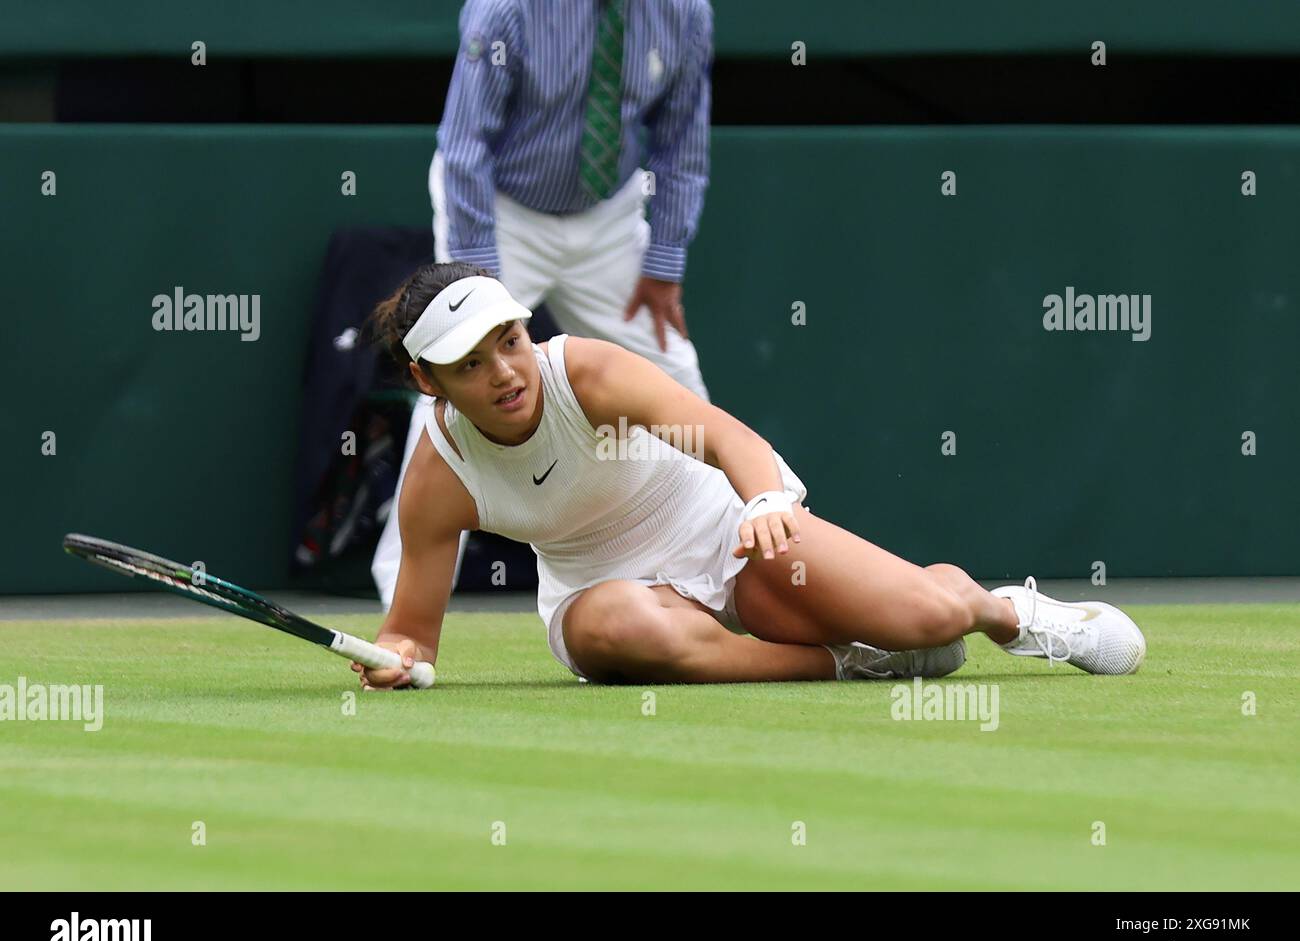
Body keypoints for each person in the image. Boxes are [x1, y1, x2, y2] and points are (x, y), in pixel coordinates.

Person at [353, 263, 1147, 689]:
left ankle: (1003, 612)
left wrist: (765, 498)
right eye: (471, 363)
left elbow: (724, 435)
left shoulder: (584, 375)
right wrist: (393, 657)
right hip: (609, 598)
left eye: (511, 341)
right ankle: (853, 663)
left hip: (730, 535)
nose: (504, 372)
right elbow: (413, 634)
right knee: (615, 634)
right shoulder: (440, 476)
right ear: (430, 381)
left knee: (929, 617)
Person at [372, 0, 715, 605]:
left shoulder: (686, 11)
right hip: (498, 209)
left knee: (674, 371)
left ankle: (744, 549)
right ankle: (400, 601)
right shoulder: (506, 11)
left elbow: (682, 136)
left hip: (609, 216)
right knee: (454, 383)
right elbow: (464, 144)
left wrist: (665, 262)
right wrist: (481, 284)